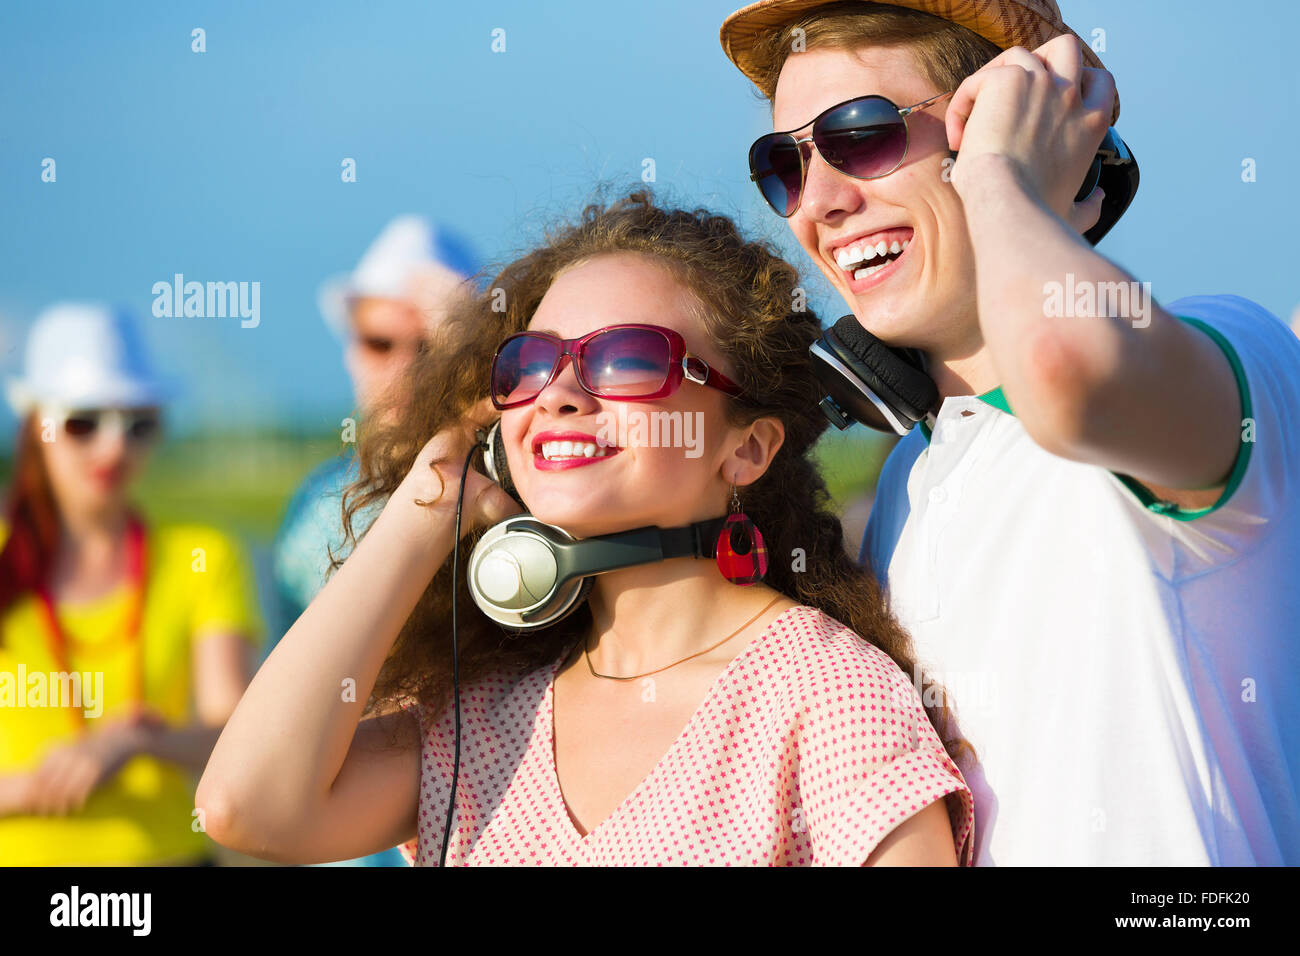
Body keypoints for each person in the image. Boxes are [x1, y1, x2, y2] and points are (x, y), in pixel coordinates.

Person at [197, 191, 975, 866]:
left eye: (630, 359)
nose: (559, 392)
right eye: (529, 363)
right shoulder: (490, 717)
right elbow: (247, 806)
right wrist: (429, 503)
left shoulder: (831, 700)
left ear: (746, 448)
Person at [719, 0, 1300, 864]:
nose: (822, 203)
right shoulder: (911, 474)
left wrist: (1004, 178)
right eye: (785, 164)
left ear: (1010, 121)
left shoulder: (1234, 350)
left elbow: (1065, 369)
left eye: (862, 134)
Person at [0, 303, 262, 865]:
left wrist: (138, 741)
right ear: (37, 427)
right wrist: (31, 786)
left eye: (138, 423)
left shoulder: (205, 557)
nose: (113, 446)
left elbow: (237, 740)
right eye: (84, 421)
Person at [270, 216, 479, 867]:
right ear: (348, 345)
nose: (406, 372)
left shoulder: (511, 487)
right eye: (380, 343)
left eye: (433, 349)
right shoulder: (314, 507)